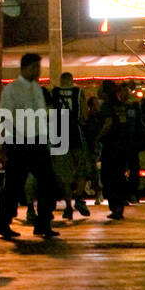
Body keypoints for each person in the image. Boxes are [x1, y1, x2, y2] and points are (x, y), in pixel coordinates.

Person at [0, 54, 60, 239]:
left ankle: (42, 222)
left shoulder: (37, 89)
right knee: (14, 185)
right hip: (20, 142)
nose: (38, 71)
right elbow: (5, 116)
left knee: (47, 182)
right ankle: (3, 223)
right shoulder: (11, 90)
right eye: (35, 67)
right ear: (25, 68)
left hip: (37, 141)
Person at [49, 71, 90, 218]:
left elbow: (49, 113)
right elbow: (85, 114)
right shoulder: (78, 92)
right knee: (82, 168)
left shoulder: (54, 92)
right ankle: (79, 197)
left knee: (64, 172)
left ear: (61, 81)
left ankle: (68, 206)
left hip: (59, 134)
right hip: (75, 132)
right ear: (72, 81)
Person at [97, 82, 139, 219]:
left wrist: (97, 138)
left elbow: (108, 124)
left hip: (113, 147)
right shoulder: (133, 106)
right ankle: (120, 204)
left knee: (110, 177)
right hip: (128, 146)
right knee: (121, 176)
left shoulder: (108, 106)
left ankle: (116, 206)